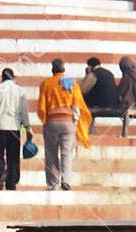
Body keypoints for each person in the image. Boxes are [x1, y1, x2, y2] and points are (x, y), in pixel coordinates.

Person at [38, 59, 90, 191]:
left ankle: (53, 183)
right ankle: (66, 180)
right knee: (66, 153)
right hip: (68, 121)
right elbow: (77, 106)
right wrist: (75, 122)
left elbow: (42, 106)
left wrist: (44, 120)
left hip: (52, 121)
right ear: (63, 70)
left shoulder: (46, 84)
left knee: (51, 153)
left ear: (52, 70)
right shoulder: (72, 84)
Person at [0, 66, 30, 191]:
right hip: (14, 128)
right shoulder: (20, 90)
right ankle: (11, 182)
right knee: (13, 157)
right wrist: (28, 127)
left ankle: (1, 173)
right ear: (13, 77)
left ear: (3, 78)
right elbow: (24, 111)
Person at [81, 57, 119, 126]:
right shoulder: (109, 73)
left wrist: (86, 74)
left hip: (100, 105)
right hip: (112, 104)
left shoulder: (94, 74)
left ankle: (87, 131)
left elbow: (82, 90)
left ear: (90, 66)